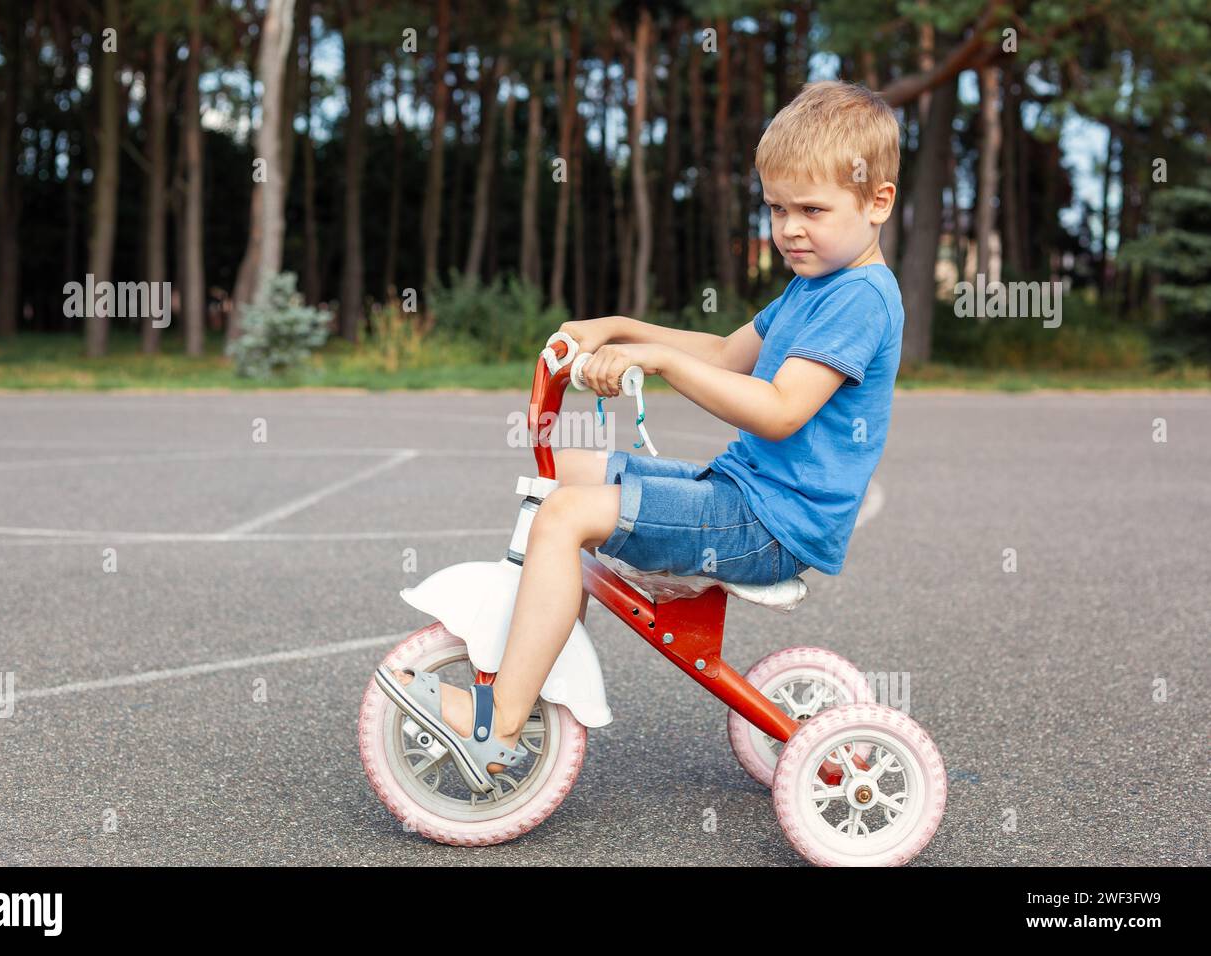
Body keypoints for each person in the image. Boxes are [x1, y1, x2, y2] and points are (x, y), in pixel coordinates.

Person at [376, 80, 905, 786]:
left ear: (878, 202)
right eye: (777, 208)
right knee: (569, 469)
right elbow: (723, 353)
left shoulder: (861, 298)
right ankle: (532, 652)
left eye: (812, 209)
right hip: (744, 493)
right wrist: (620, 327)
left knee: (565, 517)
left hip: (772, 523)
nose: (790, 229)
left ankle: (499, 725)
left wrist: (655, 362)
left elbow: (780, 408)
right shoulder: (813, 285)